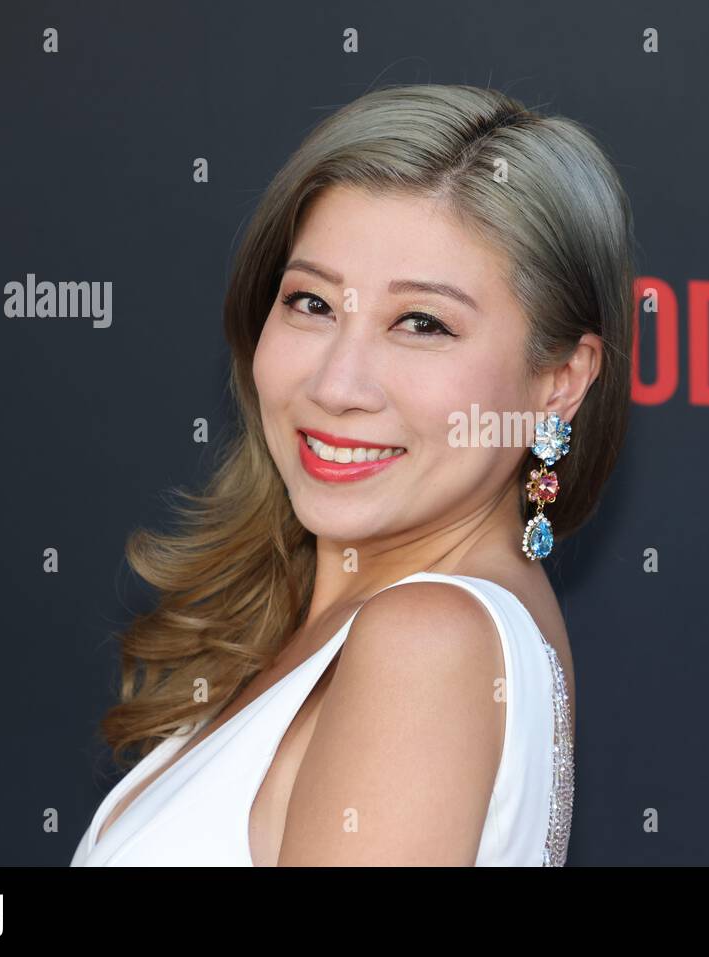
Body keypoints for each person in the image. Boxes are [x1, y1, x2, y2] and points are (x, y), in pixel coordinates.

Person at [70, 82, 635, 866]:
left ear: (561, 381)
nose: (337, 384)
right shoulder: (380, 621)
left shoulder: (427, 642)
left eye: (422, 323)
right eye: (312, 303)